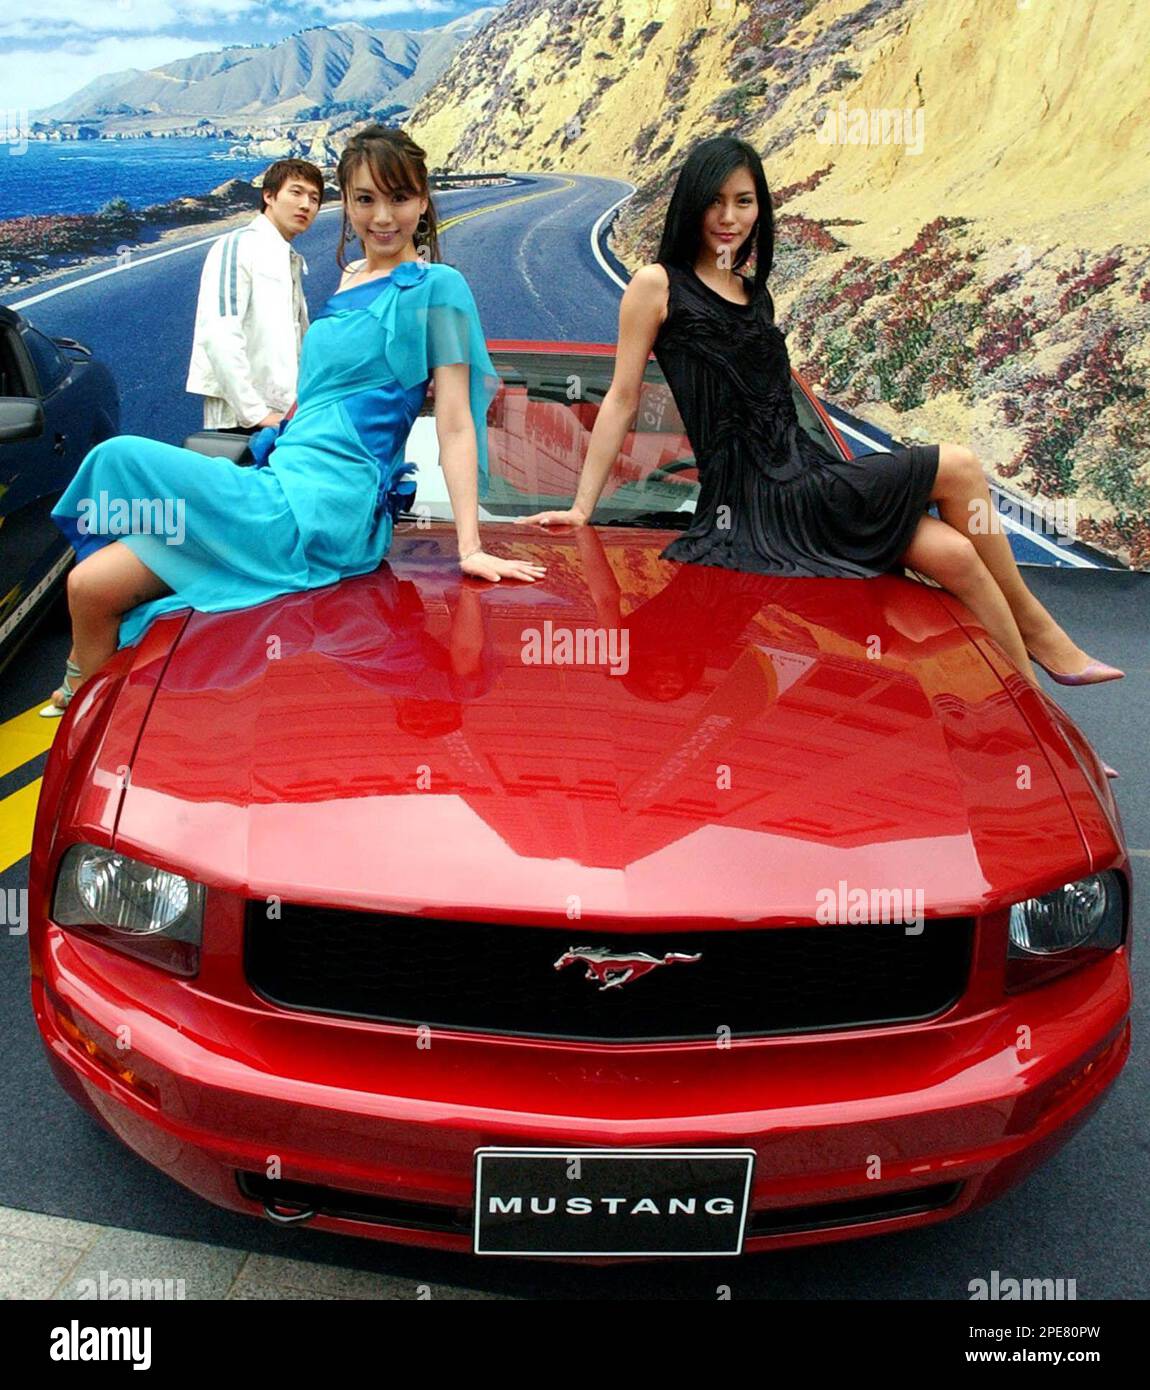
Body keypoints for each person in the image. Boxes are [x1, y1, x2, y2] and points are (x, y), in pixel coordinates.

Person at [516, 135, 1123, 694]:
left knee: (959, 557)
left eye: (744, 201)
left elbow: (779, 410)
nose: (729, 217)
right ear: (691, 207)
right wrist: (581, 507)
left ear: (761, 210)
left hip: (807, 477)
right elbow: (621, 399)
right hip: (759, 499)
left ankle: (1039, 709)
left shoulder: (756, 295)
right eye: (715, 201)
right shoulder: (657, 284)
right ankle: (1048, 640)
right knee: (960, 465)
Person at [40, 124, 545, 717]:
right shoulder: (350, 278)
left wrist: (469, 546)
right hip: (281, 479)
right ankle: (86, 699)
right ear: (347, 203)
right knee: (88, 587)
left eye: (399, 198)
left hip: (328, 504)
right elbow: (322, 394)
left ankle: (94, 712)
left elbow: (456, 421)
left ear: (424, 200)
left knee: (118, 455)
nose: (383, 217)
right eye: (364, 199)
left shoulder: (439, 287)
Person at [185, 158, 323, 433]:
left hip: (282, 416)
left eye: (315, 198)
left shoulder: (287, 257)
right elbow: (219, 333)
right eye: (296, 192)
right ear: (269, 196)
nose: (306, 205)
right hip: (241, 422)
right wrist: (255, 414)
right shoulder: (240, 246)